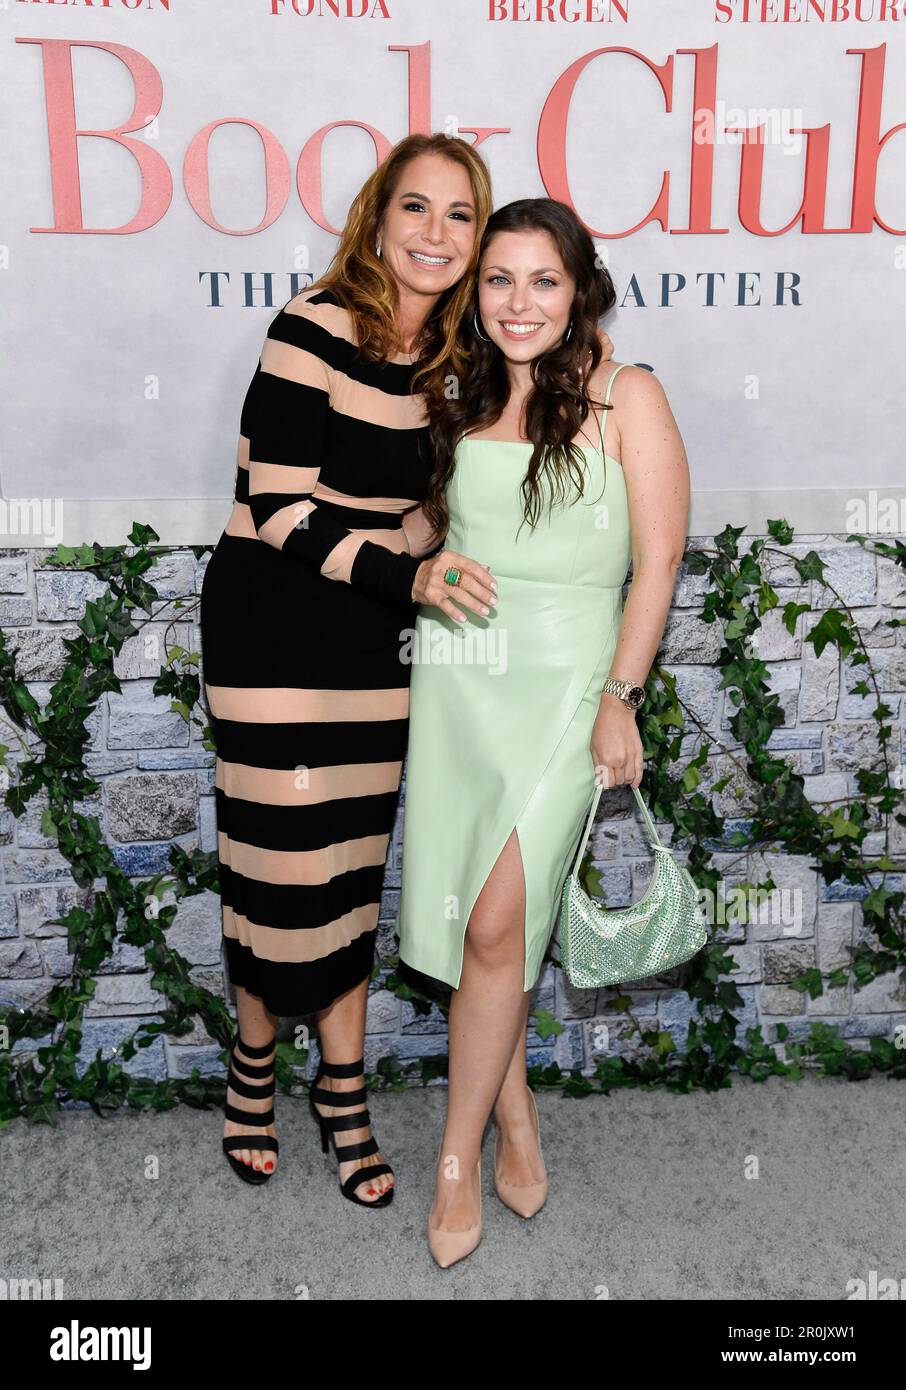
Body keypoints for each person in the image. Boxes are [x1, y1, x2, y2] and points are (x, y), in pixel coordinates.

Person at [199, 133, 498, 1202]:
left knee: (350, 870)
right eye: (416, 207)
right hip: (272, 628)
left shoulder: (461, 363)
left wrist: (421, 555)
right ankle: (252, 1063)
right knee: (279, 868)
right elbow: (278, 506)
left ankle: (341, 1087)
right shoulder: (312, 325)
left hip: (373, 636)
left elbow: (432, 509)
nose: (435, 233)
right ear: (378, 218)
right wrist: (404, 574)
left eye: (460, 215)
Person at [395, 198, 690, 1264]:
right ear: (476, 290)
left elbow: (658, 559)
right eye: (499, 279)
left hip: (567, 686)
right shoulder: (459, 394)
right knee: (482, 926)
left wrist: (621, 695)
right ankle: (514, 1112)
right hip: (460, 684)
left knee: (491, 926)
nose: (519, 302)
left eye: (544, 280)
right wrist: (411, 563)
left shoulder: (626, 394)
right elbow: (428, 528)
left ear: (580, 290)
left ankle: (456, 1158)